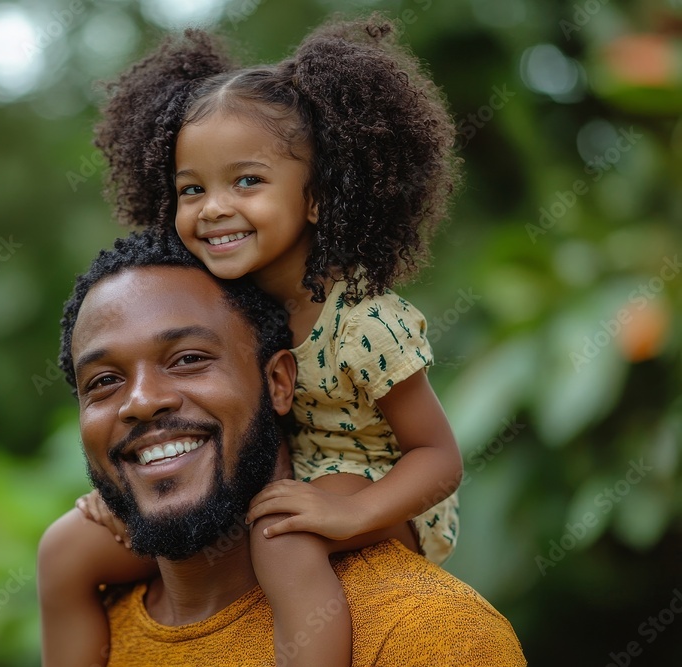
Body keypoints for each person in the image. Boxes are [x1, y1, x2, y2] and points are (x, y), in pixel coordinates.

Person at [43, 15, 465, 666]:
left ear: (317, 198)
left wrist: (349, 514)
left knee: (280, 538)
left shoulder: (363, 323)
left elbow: (438, 457)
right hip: (268, 479)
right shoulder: (225, 298)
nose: (213, 208)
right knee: (65, 548)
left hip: (375, 488)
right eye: (193, 188)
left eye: (246, 181)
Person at [38, 231, 525, 666]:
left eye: (188, 359)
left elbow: (436, 455)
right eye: (104, 381)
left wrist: (356, 513)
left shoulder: (429, 639)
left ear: (278, 382)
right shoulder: (101, 614)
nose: (142, 402)